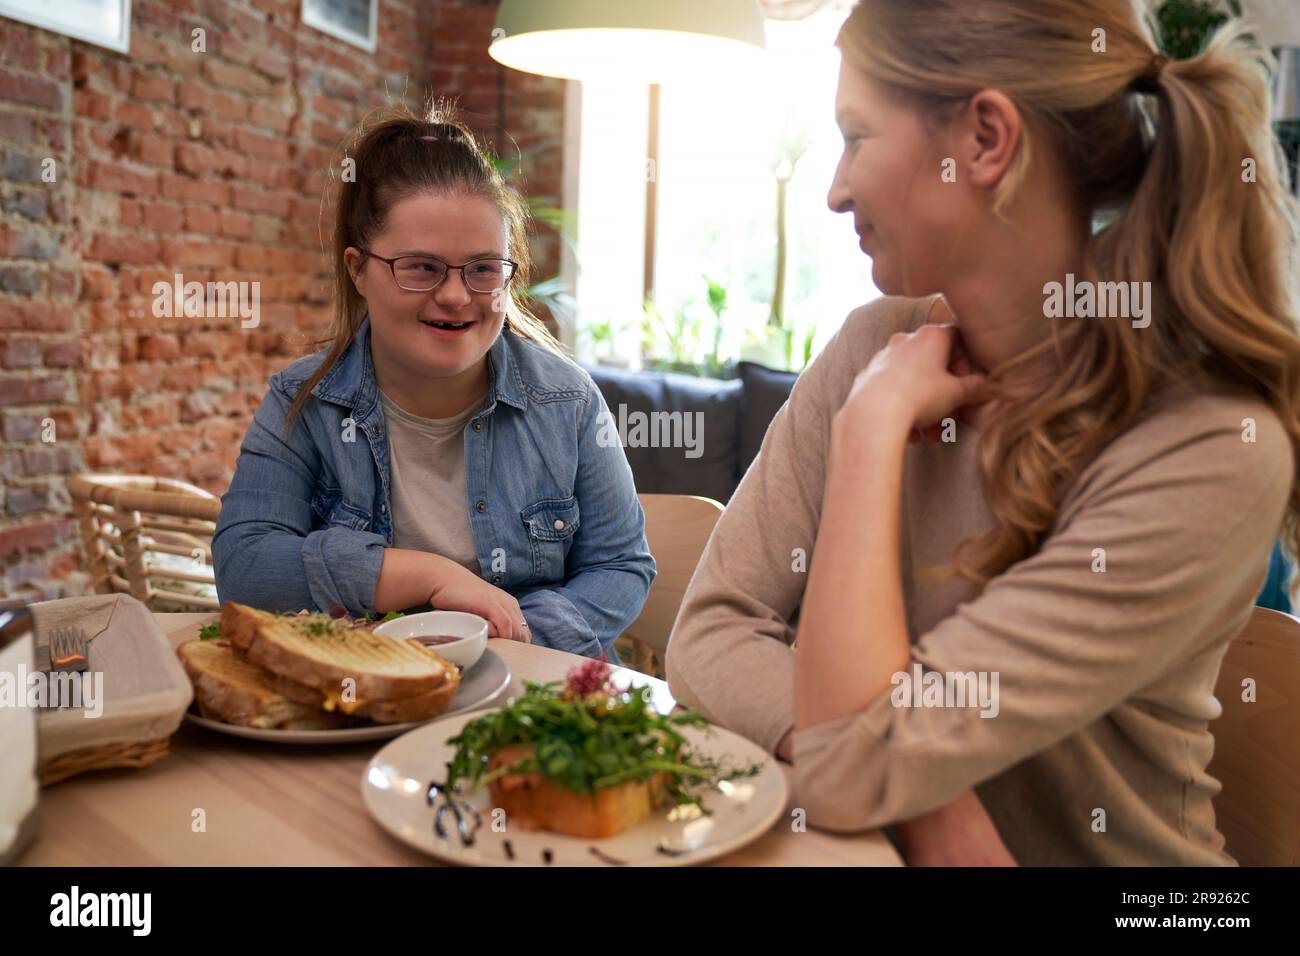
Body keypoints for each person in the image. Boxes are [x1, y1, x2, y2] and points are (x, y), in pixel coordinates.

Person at [666, 0, 1300, 864]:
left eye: (856, 136)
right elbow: (708, 632)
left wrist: (871, 430)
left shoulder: (1203, 446)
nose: (836, 188)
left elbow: (854, 768)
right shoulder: (868, 347)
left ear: (985, 141)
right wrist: (933, 798)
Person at [213, 103, 655, 660]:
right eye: (422, 267)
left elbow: (621, 565)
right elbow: (245, 568)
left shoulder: (567, 401)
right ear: (357, 269)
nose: (455, 296)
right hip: (364, 701)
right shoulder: (304, 402)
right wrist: (426, 576)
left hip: (537, 700)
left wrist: (500, 638)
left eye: (483, 269)